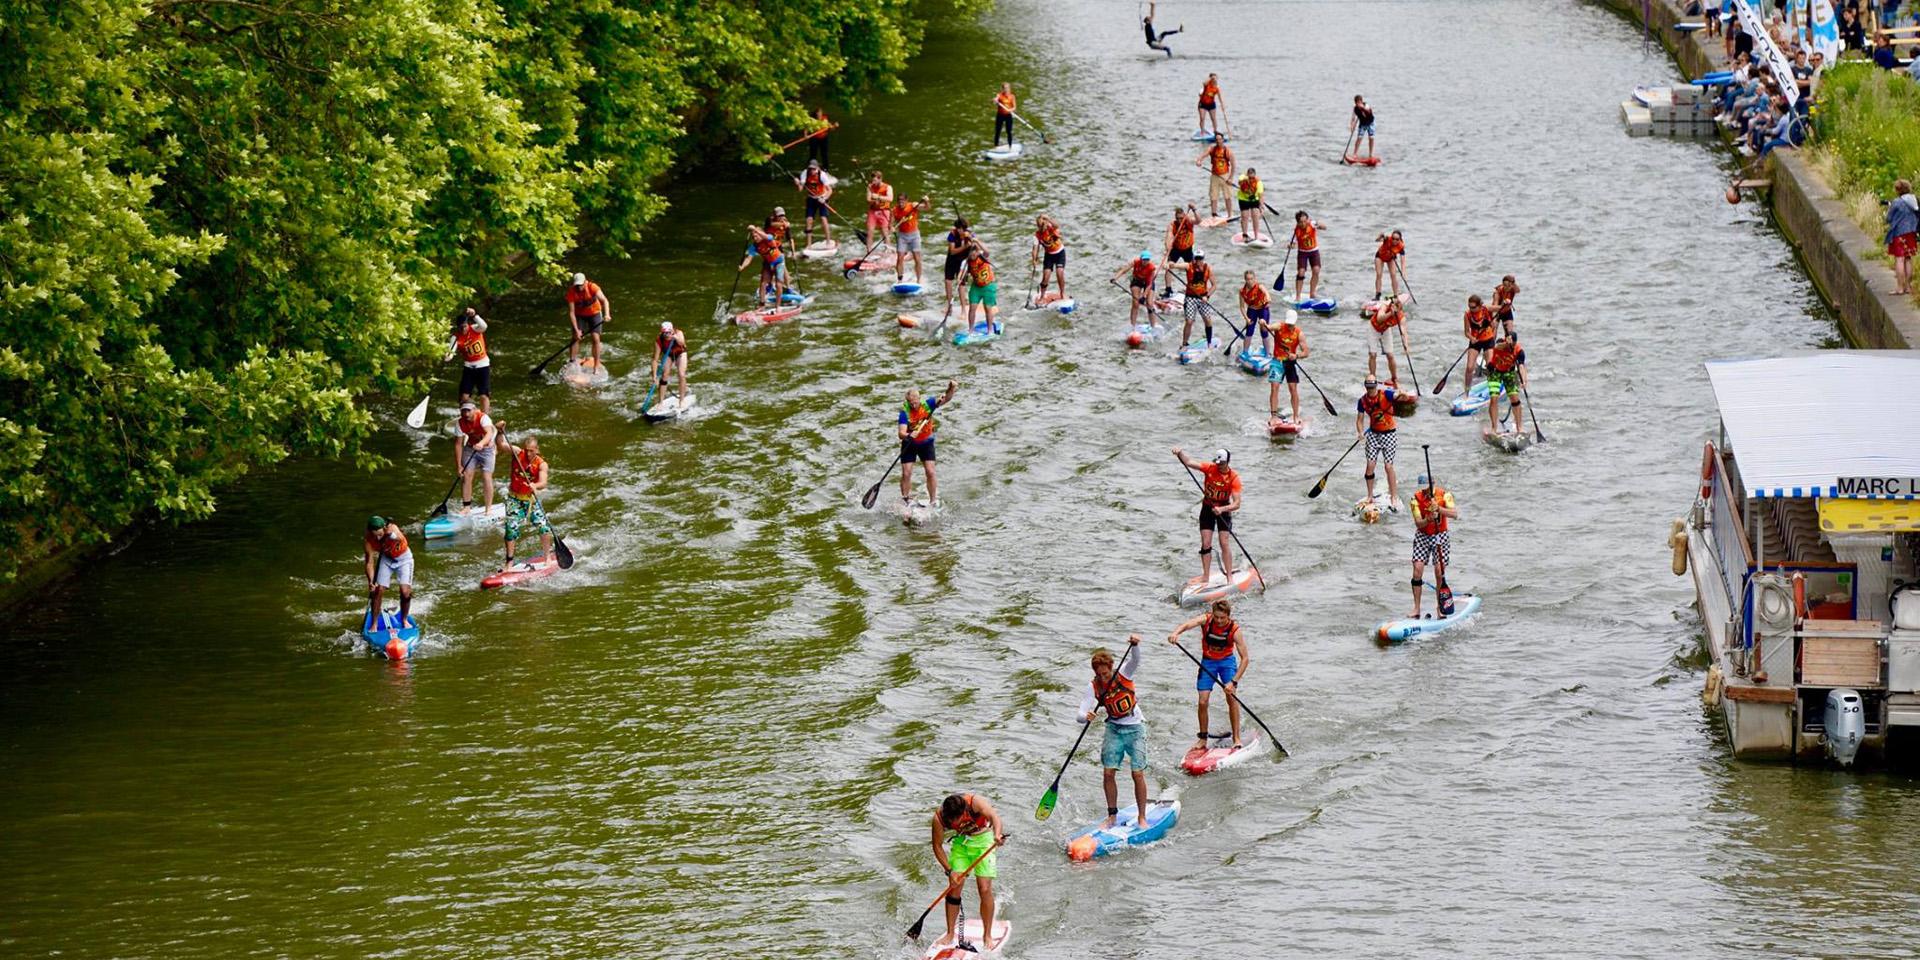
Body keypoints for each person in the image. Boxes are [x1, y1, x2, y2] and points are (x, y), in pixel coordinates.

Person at [1079, 635, 1150, 830]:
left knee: (1137, 773)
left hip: (1135, 726)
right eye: (1099, 674)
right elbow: (1080, 713)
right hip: (1114, 728)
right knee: (1108, 773)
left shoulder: (1124, 674)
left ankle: (1142, 817)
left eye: (1106, 673)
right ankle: (1112, 816)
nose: (1103, 677)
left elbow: (1135, 660)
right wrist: (1087, 716)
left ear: (1111, 668)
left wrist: (1135, 645)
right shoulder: (1093, 686)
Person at [1167, 598, 1249, 750]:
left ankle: (1236, 738)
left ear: (1228, 616)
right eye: (1216, 617)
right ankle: (1203, 739)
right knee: (1203, 701)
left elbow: (1245, 659)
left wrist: (1233, 682)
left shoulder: (1235, 630)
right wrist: (1175, 633)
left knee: (1231, 697)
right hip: (1208, 663)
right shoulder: (1206, 620)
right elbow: (1187, 624)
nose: (1218, 620)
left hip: (1226, 663)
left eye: (1222, 618)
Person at [931, 793, 1005, 953]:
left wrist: (997, 835)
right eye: (951, 821)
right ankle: (950, 934)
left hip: (984, 841)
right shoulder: (939, 818)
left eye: (956, 819)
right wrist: (949, 871)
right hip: (962, 844)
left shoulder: (975, 803)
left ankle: (987, 936)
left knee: (984, 888)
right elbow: (937, 846)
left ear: (964, 811)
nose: (954, 823)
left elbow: (994, 817)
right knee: (954, 887)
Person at [1172, 446, 1240, 584]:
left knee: (1224, 542)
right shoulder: (1209, 468)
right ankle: (1206, 576)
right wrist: (1180, 453)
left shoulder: (1234, 478)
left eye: (1221, 464)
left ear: (1227, 462)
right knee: (1206, 543)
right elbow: (1189, 462)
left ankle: (1229, 577)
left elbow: (1237, 504)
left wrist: (1222, 509)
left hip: (1223, 510)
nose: (1218, 466)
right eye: (1217, 463)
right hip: (1207, 509)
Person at [496, 433, 554, 572]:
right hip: (514, 499)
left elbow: (543, 482)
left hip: (531, 500)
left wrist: (536, 486)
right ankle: (509, 563)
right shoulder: (517, 453)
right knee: (510, 530)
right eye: (526, 450)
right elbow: (501, 444)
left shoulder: (541, 464)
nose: (528, 453)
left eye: (531, 450)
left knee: (543, 527)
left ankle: (547, 557)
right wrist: (499, 431)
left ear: (537, 449)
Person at [899, 380, 959, 507]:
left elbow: (946, 398)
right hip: (910, 444)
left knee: (930, 471)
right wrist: (909, 435)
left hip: (926, 443)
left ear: (919, 399)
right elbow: (901, 433)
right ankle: (905, 500)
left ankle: (932, 501)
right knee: (906, 473)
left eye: (915, 402)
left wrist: (951, 388)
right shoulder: (904, 412)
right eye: (911, 403)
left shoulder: (928, 404)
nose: (913, 405)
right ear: (907, 402)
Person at [1408, 477, 1459, 619]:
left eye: (1427, 487)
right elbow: (1418, 523)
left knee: (1438, 571)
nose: (1424, 490)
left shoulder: (1444, 495)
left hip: (1440, 535)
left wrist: (1439, 509)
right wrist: (1428, 519)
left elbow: (1455, 514)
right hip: (1423, 536)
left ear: (1433, 484)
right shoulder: (1415, 499)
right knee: (1417, 570)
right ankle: (1416, 608)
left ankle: (1440, 608)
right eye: (1423, 488)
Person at [1355, 375, 1401, 509]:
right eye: (1368, 387)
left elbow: (1399, 397)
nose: (1370, 390)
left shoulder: (1386, 394)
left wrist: (1401, 393)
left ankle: (1393, 496)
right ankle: (1370, 496)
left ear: (1376, 386)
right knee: (1370, 465)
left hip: (1389, 434)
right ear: (1365, 387)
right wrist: (1360, 432)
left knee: (1388, 466)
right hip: (1373, 435)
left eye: (1372, 387)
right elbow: (1359, 420)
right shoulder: (1362, 401)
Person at [363, 516, 415, 633]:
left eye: (380, 534)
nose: (377, 537)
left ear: (384, 528)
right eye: (374, 535)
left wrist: (391, 536)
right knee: (378, 589)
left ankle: (404, 619)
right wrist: (371, 581)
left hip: (404, 558)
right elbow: (369, 563)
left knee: (405, 591)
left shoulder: (392, 528)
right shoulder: (368, 540)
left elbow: (400, 537)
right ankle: (374, 624)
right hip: (386, 559)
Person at [1262, 308, 1309, 424]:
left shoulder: (1299, 334)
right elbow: (1268, 328)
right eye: (1288, 324)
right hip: (1277, 362)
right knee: (1274, 387)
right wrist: (1263, 324)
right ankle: (1273, 416)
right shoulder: (1279, 326)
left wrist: (1296, 355)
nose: (1289, 326)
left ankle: (1296, 416)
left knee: (1293, 389)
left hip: (1290, 363)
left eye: (1291, 324)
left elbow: (1306, 352)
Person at [453, 400, 498, 517]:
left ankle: (488, 509)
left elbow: (489, 433)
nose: (466, 414)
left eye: (468, 410)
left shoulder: (484, 418)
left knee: (486, 476)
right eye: (463, 411)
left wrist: (482, 443)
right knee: (466, 475)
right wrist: (459, 466)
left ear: (474, 410)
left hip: (488, 449)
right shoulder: (459, 423)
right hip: (470, 448)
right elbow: (458, 444)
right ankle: (466, 507)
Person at [445, 307, 491, 415]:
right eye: (461, 328)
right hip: (469, 368)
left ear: (468, 324)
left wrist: (474, 315)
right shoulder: (456, 337)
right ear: (458, 327)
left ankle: (485, 417)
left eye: (465, 326)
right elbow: (451, 352)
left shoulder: (475, 328)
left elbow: (484, 326)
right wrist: (448, 357)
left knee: (484, 394)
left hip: (483, 366)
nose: (463, 329)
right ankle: (464, 417)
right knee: (464, 396)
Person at [1482, 333, 1529, 437]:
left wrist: (1524, 380)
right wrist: (1506, 344)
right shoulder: (1500, 343)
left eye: (1514, 343)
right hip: (1494, 372)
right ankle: (1494, 429)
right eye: (1511, 343)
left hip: (1509, 373)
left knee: (1515, 400)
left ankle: (1519, 427)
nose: (1512, 346)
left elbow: (1521, 366)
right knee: (1494, 398)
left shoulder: (1519, 351)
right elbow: (1496, 346)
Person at [564, 272, 609, 370]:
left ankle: (596, 365)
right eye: (577, 285)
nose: (579, 287)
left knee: (595, 338)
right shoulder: (572, 292)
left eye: (581, 285)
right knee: (575, 338)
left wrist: (607, 314)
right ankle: (572, 362)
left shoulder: (592, 287)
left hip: (595, 314)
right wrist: (576, 330)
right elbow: (572, 312)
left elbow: (605, 300)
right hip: (580, 315)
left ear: (585, 282)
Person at [739, 223, 789, 306]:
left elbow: (766, 236)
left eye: (757, 236)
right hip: (768, 263)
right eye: (753, 237)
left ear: (761, 234)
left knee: (778, 284)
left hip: (779, 262)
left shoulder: (768, 238)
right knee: (763, 283)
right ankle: (762, 304)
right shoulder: (754, 246)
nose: (755, 238)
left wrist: (754, 228)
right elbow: (748, 258)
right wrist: (742, 266)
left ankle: (778, 306)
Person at [1362, 296, 1408, 385]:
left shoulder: (1401, 317)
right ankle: (1373, 378)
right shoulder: (1385, 306)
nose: (1396, 308)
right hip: (1373, 328)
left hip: (1385, 330)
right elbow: (1379, 319)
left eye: (1398, 307)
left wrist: (1406, 344)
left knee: (1390, 355)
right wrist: (1390, 313)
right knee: (1372, 354)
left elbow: (1403, 331)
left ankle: (1394, 379)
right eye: (1394, 305)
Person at [1175, 250, 1215, 347]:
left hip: (1202, 298)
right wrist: (1170, 265)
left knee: (1208, 321)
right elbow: (1177, 265)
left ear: (1203, 259)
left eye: (1200, 259)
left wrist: (1207, 296)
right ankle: (1184, 344)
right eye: (1196, 259)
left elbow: (1214, 286)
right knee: (1189, 321)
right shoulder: (1189, 266)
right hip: (1190, 298)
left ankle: (1209, 342)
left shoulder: (1208, 269)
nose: (1198, 261)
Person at [1885, 179, 1917, 295]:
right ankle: (1908, 287)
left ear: (1898, 190)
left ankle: (1899, 287)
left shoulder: (1897, 202)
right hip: (1911, 233)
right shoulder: (1914, 200)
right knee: (1908, 258)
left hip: (1899, 233)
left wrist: (1890, 207)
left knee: (1899, 259)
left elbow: (1888, 219)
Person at [1114, 251, 1161, 328]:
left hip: (1148, 283)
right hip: (1137, 281)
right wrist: (1115, 278)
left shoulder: (1152, 268)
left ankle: (1153, 325)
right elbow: (1123, 270)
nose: (1145, 262)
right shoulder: (1135, 262)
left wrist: (1144, 296)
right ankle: (1132, 326)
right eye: (1144, 260)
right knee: (1135, 303)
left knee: (1149, 304)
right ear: (1141, 259)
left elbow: (1149, 284)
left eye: (1147, 260)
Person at [1461, 294, 1498, 392]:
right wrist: (1472, 338)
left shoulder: (1486, 309)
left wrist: (1506, 303)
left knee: (1490, 366)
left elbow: (1500, 308)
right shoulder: (1467, 315)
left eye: (1473, 307)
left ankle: (1492, 388)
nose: (1471, 309)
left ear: (1479, 305)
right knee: (1469, 367)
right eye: (1469, 306)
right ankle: (1466, 391)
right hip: (1475, 342)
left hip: (1488, 341)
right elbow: (1466, 332)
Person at [794, 159, 834, 249]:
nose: (812, 171)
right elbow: (800, 189)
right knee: (809, 220)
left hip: (821, 198)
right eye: (811, 169)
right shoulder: (805, 173)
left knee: (823, 219)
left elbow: (830, 190)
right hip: (811, 198)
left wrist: (824, 198)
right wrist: (797, 183)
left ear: (817, 168)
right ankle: (808, 244)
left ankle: (828, 241)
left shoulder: (822, 175)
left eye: (814, 169)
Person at [1194, 135, 1235, 218]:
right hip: (1215, 176)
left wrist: (1230, 178)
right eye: (1216, 140)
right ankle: (1214, 214)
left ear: (1223, 140)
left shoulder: (1228, 151)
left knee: (1227, 196)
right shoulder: (1212, 149)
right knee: (1213, 196)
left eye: (1220, 139)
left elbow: (1233, 165)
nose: (1218, 141)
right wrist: (1199, 161)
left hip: (1225, 176)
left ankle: (1230, 214)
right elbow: (1202, 155)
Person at [963, 242, 1000, 335]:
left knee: (987, 308)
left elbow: (987, 251)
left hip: (989, 286)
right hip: (976, 287)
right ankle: (970, 330)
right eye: (970, 252)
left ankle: (990, 330)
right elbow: (962, 272)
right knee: (972, 308)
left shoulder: (983, 257)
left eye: (974, 252)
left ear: (977, 251)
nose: (972, 254)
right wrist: (961, 278)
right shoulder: (967, 262)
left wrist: (977, 240)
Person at [893, 194, 931, 285]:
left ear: (906, 200)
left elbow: (927, 208)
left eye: (902, 201)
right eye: (899, 201)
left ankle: (918, 280)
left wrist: (926, 201)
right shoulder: (894, 210)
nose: (901, 203)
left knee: (917, 258)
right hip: (902, 236)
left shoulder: (913, 205)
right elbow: (890, 224)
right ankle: (900, 279)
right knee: (900, 258)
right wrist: (892, 228)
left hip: (914, 235)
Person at [650, 321, 689, 407]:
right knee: (664, 375)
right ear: (662, 332)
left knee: (681, 374)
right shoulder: (659, 340)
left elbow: (682, 343)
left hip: (680, 353)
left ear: (672, 331)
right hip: (668, 355)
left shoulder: (678, 333)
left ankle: (681, 400)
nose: (667, 335)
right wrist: (654, 376)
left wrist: (675, 338)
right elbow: (655, 360)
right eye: (665, 333)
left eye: (669, 333)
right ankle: (660, 402)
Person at [1162, 204, 1198, 286]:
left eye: (1181, 218)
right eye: (1177, 218)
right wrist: (1168, 249)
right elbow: (1169, 236)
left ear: (1184, 216)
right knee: (1169, 267)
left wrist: (1194, 210)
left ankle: (1192, 286)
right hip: (1176, 249)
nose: (1179, 220)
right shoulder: (1172, 224)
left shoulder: (1188, 221)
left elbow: (1198, 221)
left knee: (1191, 268)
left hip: (1187, 249)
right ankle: (1168, 289)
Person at [1291, 211, 1325, 299]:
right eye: (1301, 222)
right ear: (1298, 222)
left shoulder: (1312, 224)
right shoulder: (1296, 230)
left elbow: (1324, 227)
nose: (1303, 224)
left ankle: (1312, 292)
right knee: (1301, 272)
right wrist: (1291, 245)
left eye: (1305, 221)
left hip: (1314, 251)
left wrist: (1320, 225)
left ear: (1307, 220)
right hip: (1302, 253)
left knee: (1316, 270)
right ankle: (1298, 295)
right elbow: (1293, 243)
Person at [943, 218, 974, 311]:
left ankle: (963, 309)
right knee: (948, 282)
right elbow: (952, 251)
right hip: (952, 260)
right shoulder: (952, 234)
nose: (960, 231)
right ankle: (949, 306)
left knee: (961, 284)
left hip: (963, 262)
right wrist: (964, 246)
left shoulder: (970, 234)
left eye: (962, 229)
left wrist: (970, 239)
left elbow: (975, 245)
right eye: (958, 228)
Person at [1237, 269, 1271, 352]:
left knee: (1264, 331)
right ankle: (1245, 352)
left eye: (1251, 279)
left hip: (1263, 309)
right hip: (1252, 310)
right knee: (1249, 331)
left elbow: (1267, 294)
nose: (1250, 281)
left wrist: (1268, 298)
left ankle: (1267, 353)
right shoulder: (1242, 291)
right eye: (1248, 279)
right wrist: (1247, 319)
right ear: (1245, 280)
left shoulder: (1260, 286)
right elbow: (1242, 307)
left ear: (1255, 279)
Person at [865, 170, 895, 251]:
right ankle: (868, 251)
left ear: (880, 179)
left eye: (874, 180)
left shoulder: (888, 187)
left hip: (884, 211)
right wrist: (874, 201)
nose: (873, 182)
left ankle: (887, 251)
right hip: (873, 211)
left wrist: (878, 197)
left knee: (884, 232)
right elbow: (868, 199)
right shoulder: (870, 187)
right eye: (872, 180)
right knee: (870, 231)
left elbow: (890, 198)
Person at [1234, 168, 1265, 241]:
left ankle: (1256, 236)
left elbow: (1261, 196)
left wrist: (1261, 206)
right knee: (1245, 216)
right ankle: (1244, 235)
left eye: (1252, 177)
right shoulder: (1243, 177)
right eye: (1249, 177)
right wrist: (1245, 181)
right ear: (1247, 175)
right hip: (1243, 199)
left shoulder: (1258, 182)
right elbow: (1239, 181)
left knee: (1255, 215)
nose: (1251, 179)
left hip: (1254, 200)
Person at [1373, 230, 1405, 299]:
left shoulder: (1401, 246)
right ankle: (1377, 295)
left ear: (1400, 239)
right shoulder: (1387, 239)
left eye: (1397, 239)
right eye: (1393, 238)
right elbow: (1377, 240)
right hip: (1380, 256)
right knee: (1379, 274)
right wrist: (1379, 236)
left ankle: (1396, 295)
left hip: (1390, 258)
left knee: (1393, 275)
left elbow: (1402, 261)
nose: (1394, 241)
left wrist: (1403, 272)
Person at [1349, 94, 1376, 161]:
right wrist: (1352, 126)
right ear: (1355, 103)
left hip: (1370, 123)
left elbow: (1368, 113)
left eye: (1359, 102)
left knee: (1371, 138)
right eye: (1357, 103)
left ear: (1361, 101)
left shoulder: (1366, 105)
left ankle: (1371, 154)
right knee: (1359, 138)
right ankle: (1354, 154)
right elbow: (1353, 118)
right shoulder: (1355, 108)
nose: (1358, 104)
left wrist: (1362, 108)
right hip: (1363, 124)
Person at [993, 83, 1018, 148]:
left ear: (1009, 89)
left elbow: (1014, 107)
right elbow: (995, 99)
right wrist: (995, 100)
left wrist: (1011, 110)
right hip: (1000, 115)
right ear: (1002, 89)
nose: (1006, 89)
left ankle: (1010, 146)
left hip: (1008, 116)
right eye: (1005, 88)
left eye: (1007, 88)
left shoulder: (1012, 96)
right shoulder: (999, 95)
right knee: (997, 131)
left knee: (1009, 131)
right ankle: (996, 146)